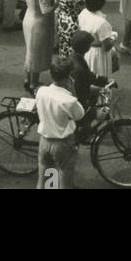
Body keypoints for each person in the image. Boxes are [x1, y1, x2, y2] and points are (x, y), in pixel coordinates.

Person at [35, 57, 86, 189]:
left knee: (46, 181)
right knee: (65, 180)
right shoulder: (68, 100)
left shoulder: (41, 91)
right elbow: (79, 115)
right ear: (69, 77)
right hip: (62, 144)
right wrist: (73, 91)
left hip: (44, 142)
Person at [21, 0, 56, 93]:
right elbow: (47, 11)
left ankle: (28, 79)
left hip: (29, 16)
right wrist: (57, 3)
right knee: (36, 54)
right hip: (40, 23)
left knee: (30, 50)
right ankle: (33, 84)